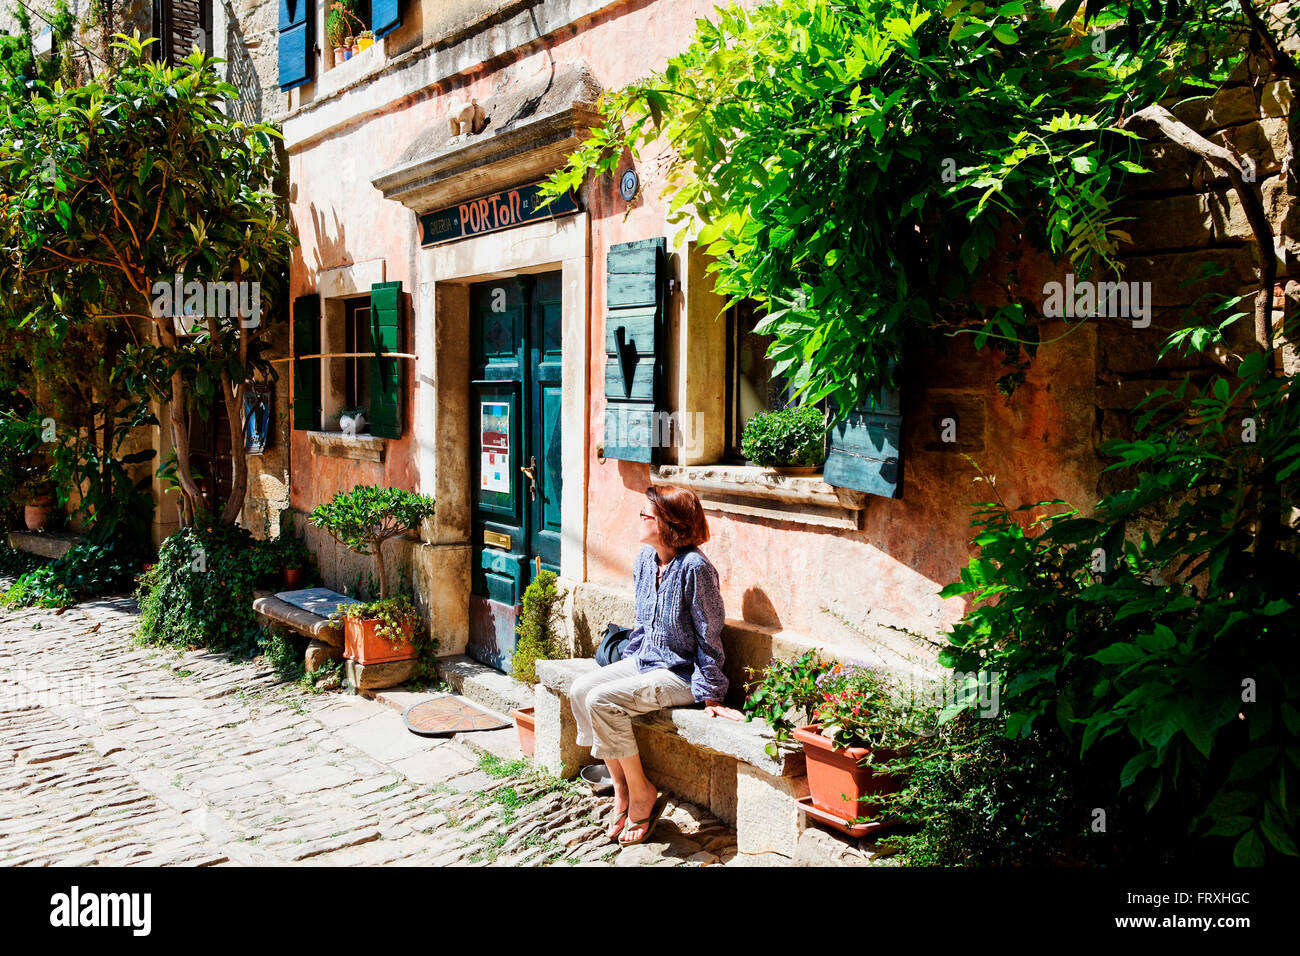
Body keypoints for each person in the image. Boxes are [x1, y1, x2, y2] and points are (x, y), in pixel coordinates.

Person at [569, 485, 745, 846]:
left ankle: (642, 792)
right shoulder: (645, 561)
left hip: (681, 674)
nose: (640, 520)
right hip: (646, 661)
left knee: (603, 701)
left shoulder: (695, 568)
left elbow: (710, 634)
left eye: (646, 515)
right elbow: (644, 622)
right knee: (581, 690)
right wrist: (627, 660)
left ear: (669, 524)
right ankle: (621, 789)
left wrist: (712, 695)